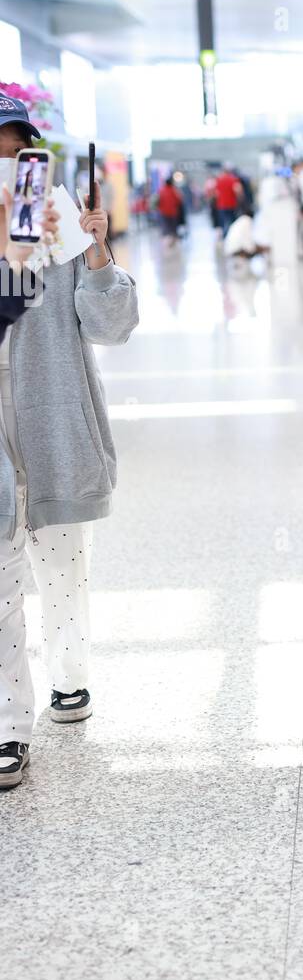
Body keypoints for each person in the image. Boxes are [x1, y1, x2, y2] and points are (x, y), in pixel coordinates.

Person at [0, 94, 139, 790]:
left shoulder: (57, 229)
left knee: (61, 563)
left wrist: (97, 249)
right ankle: (8, 724)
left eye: (13, 151)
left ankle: (70, 677)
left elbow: (112, 327)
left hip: (51, 425)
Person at [214, 165, 242, 238]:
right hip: (232, 204)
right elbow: (238, 191)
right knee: (232, 222)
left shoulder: (219, 179)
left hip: (221, 205)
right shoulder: (234, 179)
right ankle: (232, 236)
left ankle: (224, 236)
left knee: (223, 222)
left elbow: (216, 193)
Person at [157, 172, 184, 247]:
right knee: (173, 226)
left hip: (163, 212)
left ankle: (167, 239)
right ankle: (174, 238)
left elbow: (158, 201)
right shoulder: (174, 190)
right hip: (173, 212)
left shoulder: (161, 190)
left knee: (166, 226)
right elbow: (179, 200)